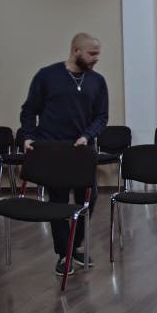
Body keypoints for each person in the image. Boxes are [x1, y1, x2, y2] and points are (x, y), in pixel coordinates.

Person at [20, 32, 108, 276]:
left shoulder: (97, 81)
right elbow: (29, 110)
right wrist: (28, 136)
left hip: (81, 150)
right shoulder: (47, 76)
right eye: (92, 54)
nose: (96, 58)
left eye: (97, 54)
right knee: (57, 203)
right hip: (52, 149)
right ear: (76, 50)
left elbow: (102, 117)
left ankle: (74, 244)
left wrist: (87, 135)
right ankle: (64, 254)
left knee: (87, 201)